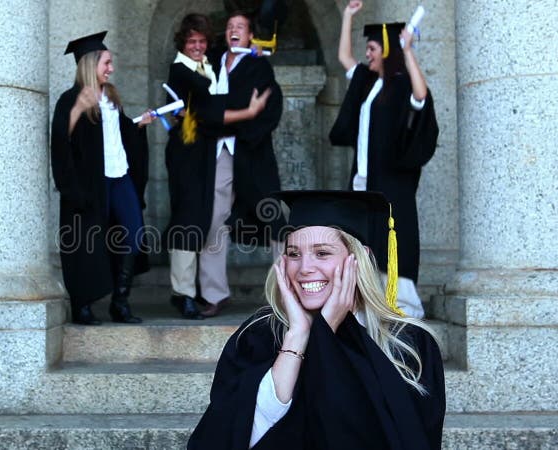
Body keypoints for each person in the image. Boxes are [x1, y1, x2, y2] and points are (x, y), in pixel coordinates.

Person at [188, 190, 445, 449]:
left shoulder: (408, 343)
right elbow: (231, 436)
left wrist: (324, 332)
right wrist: (298, 334)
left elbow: (404, 436)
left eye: (322, 253)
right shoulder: (259, 335)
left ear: (360, 257)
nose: (304, 268)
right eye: (294, 253)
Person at [329, 1, 439, 319]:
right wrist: (349, 16)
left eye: (373, 48)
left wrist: (408, 52)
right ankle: (369, 305)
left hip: (391, 180)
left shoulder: (402, 83)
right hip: (364, 178)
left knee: (394, 240)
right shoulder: (367, 82)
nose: (368, 54)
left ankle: (401, 306)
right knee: (366, 243)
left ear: (386, 51)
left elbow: (422, 98)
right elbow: (344, 58)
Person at [164, 13, 272, 320]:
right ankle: (197, 293)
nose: (198, 46)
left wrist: (255, 51)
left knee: (268, 216)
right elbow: (208, 111)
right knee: (199, 217)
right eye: (191, 42)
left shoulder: (226, 62)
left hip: (230, 152)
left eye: (201, 41)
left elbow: (260, 91)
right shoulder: (186, 68)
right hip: (196, 154)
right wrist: (248, 112)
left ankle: (279, 292)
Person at [50, 31, 155, 325]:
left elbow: (120, 135)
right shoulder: (71, 99)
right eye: (106, 63)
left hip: (120, 178)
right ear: (90, 63)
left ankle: (120, 302)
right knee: (87, 242)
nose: (111, 68)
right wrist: (78, 111)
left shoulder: (110, 97)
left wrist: (139, 125)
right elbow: (60, 141)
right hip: (92, 184)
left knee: (133, 233)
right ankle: (83, 304)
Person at [196, 9, 285, 318]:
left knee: (274, 218)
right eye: (230, 26)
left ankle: (282, 293)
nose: (234, 30)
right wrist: (230, 114)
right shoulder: (211, 62)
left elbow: (268, 108)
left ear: (250, 35)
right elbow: (205, 106)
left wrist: (229, 120)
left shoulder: (259, 66)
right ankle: (214, 293)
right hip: (217, 152)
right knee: (213, 219)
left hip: (251, 151)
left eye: (240, 27)